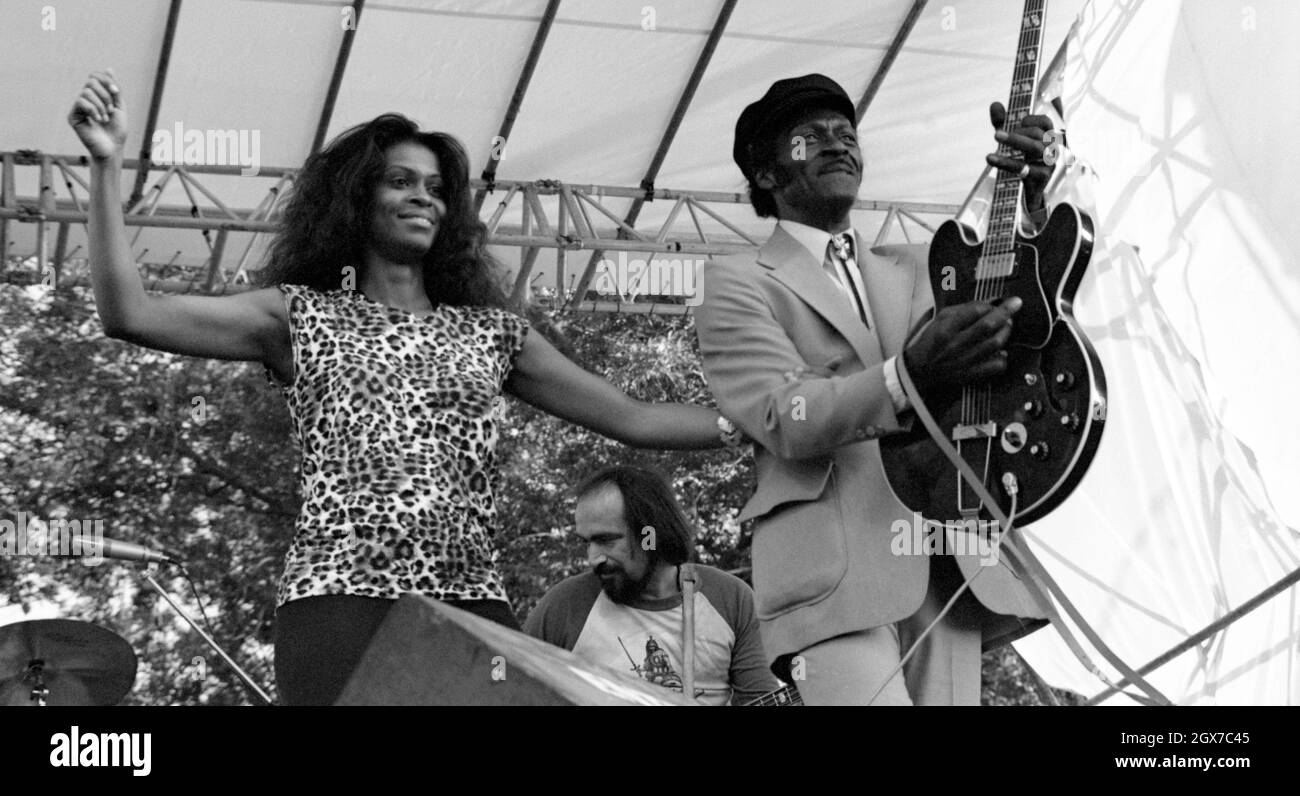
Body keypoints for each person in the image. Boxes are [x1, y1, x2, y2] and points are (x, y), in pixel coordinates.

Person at [68, 69, 736, 706]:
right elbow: (131, 314)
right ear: (358, 199)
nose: (424, 196)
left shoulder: (490, 333)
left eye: (438, 187)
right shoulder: (297, 314)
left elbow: (634, 418)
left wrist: (771, 423)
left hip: (469, 598)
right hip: (338, 599)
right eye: (400, 181)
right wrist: (106, 166)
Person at [693, 74, 1057, 706]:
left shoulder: (923, 262)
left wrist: (1032, 199)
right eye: (810, 138)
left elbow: (1025, 319)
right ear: (768, 177)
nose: (838, 145)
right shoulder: (734, 283)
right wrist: (908, 373)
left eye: (848, 133)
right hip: (834, 578)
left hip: (949, 555)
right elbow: (785, 416)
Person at [524, 464, 780, 706]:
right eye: (587, 542)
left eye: (606, 540)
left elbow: (759, 694)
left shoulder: (730, 598)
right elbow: (500, 680)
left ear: (650, 535)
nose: (593, 558)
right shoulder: (565, 605)